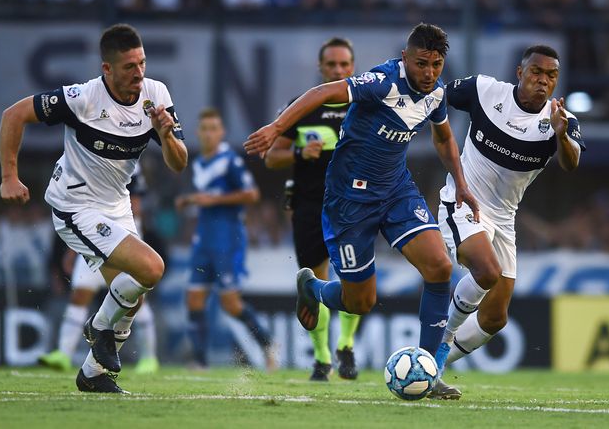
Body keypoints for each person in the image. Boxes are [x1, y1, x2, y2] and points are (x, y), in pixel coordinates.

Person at [245, 23, 478, 396]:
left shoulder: (435, 94)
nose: (430, 72)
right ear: (406, 58)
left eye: (436, 65)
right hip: (349, 200)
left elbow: (445, 137)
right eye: (422, 64)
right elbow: (323, 92)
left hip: (396, 191)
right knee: (361, 301)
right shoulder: (383, 81)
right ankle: (314, 288)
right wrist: (277, 127)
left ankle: (429, 371)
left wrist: (462, 184)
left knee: (440, 268)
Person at [0, 23, 187, 393]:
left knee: (130, 294)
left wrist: (166, 135)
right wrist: (9, 176)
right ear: (107, 69)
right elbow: (13, 115)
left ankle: (92, 374)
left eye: (142, 63)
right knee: (152, 267)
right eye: (130, 66)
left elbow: (178, 163)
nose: (139, 73)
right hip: (75, 204)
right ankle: (97, 330)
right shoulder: (82, 98)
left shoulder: (156, 95)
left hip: (116, 205)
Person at [433, 45, 585, 398]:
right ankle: (436, 349)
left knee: (494, 318)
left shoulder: (561, 121)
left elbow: (571, 164)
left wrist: (561, 134)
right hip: (464, 202)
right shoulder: (485, 92)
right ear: (520, 73)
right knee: (485, 272)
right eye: (536, 72)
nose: (542, 81)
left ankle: (432, 368)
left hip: (504, 218)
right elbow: (436, 96)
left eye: (551, 76)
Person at [264, 37, 362, 382]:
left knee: (354, 276)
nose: (338, 70)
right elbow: (270, 155)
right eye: (331, 65)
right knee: (314, 281)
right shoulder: (302, 106)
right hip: (309, 205)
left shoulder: (364, 104)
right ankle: (322, 358)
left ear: (353, 67)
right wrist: (297, 154)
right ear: (320, 68)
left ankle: (346, 346)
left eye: (344, 64)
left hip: (353, 205)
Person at [175, 108, 276, 371]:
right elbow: (205, 197)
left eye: (213, 128)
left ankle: (266, 344)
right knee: (194, 299)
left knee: (230, 303)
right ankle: (199, 361)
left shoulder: (230, 161)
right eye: (204, 129)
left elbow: (252, 194)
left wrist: (215, 200)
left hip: (227, 240)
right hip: (203, 240)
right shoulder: (198, 164)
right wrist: (188, 200)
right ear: (198, 133)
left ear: (221, 133)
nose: (208, 134)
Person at [38, 164, 160, 375]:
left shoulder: (131, 162)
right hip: (95, 233)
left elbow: (136, 205)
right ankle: (64, 354)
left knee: (136, 301)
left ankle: (149, 358)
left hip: (122, 236)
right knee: (80, 294)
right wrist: (72, 250)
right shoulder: (87, 155)